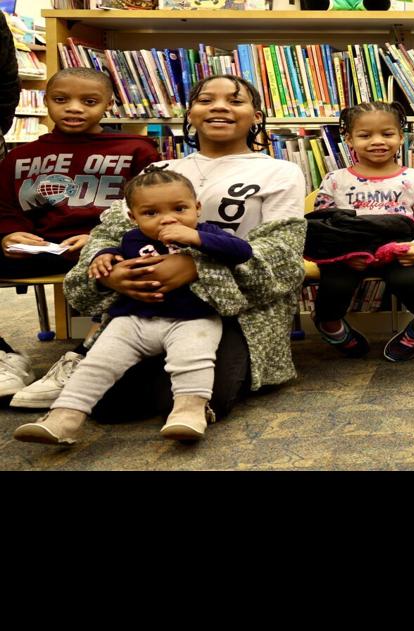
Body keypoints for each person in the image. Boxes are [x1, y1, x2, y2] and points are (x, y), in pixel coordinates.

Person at [60, 73, 305, 422]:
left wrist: (196, 268)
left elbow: (282, 255)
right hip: (146, 305)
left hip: (234, 309)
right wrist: (110, 272)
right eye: (206, 100)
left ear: (256, 116)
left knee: (201, 397)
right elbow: (108, 234)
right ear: (190, 114)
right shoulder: (159, 169)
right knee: (108, 407)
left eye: (235, 101)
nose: (219, 107)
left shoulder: (280, 172)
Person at [14, 169, 251, 444]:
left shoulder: (206, 232)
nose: (168, 218)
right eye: (151, 213)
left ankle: (189, 413)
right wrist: (103, 258)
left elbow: (242, 251)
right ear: (133, 217)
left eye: (180, 209)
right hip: (134, 318)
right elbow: (114, 251)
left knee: (192, 360)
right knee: (98, 362)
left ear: (197, 208)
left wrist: (197, 239)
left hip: (193, 319)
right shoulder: (131, 238)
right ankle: (64, 418)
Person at [0, 67, 159, 408]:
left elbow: (152, 207)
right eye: (61, 99)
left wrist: (97, 238)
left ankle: (86, 354)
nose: (74, 108)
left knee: (145, 260)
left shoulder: (136, 149)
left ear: (109, 105)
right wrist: (9, 234)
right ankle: (3, 356)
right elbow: (5, 207)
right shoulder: (18, 157)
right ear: (46, 101)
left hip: (105, 247)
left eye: (89, 101)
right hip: (38, 249)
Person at [310, 100, 414, 362]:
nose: (378, 141)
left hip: (399, 247)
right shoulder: (335, 179)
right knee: (334, 284)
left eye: (387, 133)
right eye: (365, 135)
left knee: (408, 281)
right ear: (349, 139)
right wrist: (343, 254)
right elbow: (322, 224)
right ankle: (330, 325)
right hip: (348, 250)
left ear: (401, 137)